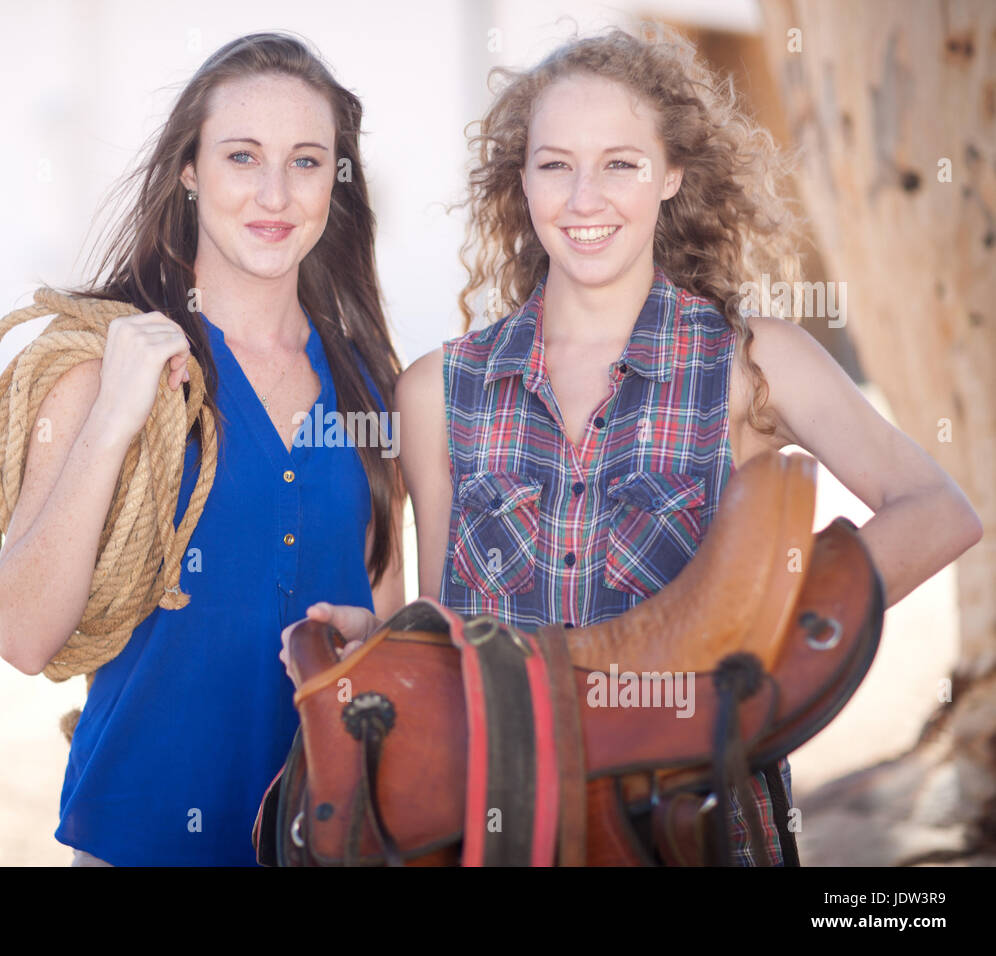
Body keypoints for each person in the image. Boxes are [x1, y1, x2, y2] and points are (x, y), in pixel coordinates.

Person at [285, 25, 983, 865]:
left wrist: (775, 647)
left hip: (701, 817)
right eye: (555, 164)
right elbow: (449, 632)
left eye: (620, 163)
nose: (585, 199)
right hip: (501, 820)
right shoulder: (438, 391)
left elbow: (938, 511)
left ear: (673, 174)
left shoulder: (752, 361)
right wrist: (381, 639)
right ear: (523, 180)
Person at [0, 32, 405, 866]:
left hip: (337, 841)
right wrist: (114, 416)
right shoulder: (98, 359)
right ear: (189, 170)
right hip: (139, 844)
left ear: (338, 180)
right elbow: (25, 637)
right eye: (242, 157)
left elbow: (387, 624)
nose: (276, 193)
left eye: (308, 161)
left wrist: (370, 640)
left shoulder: (369, 382)